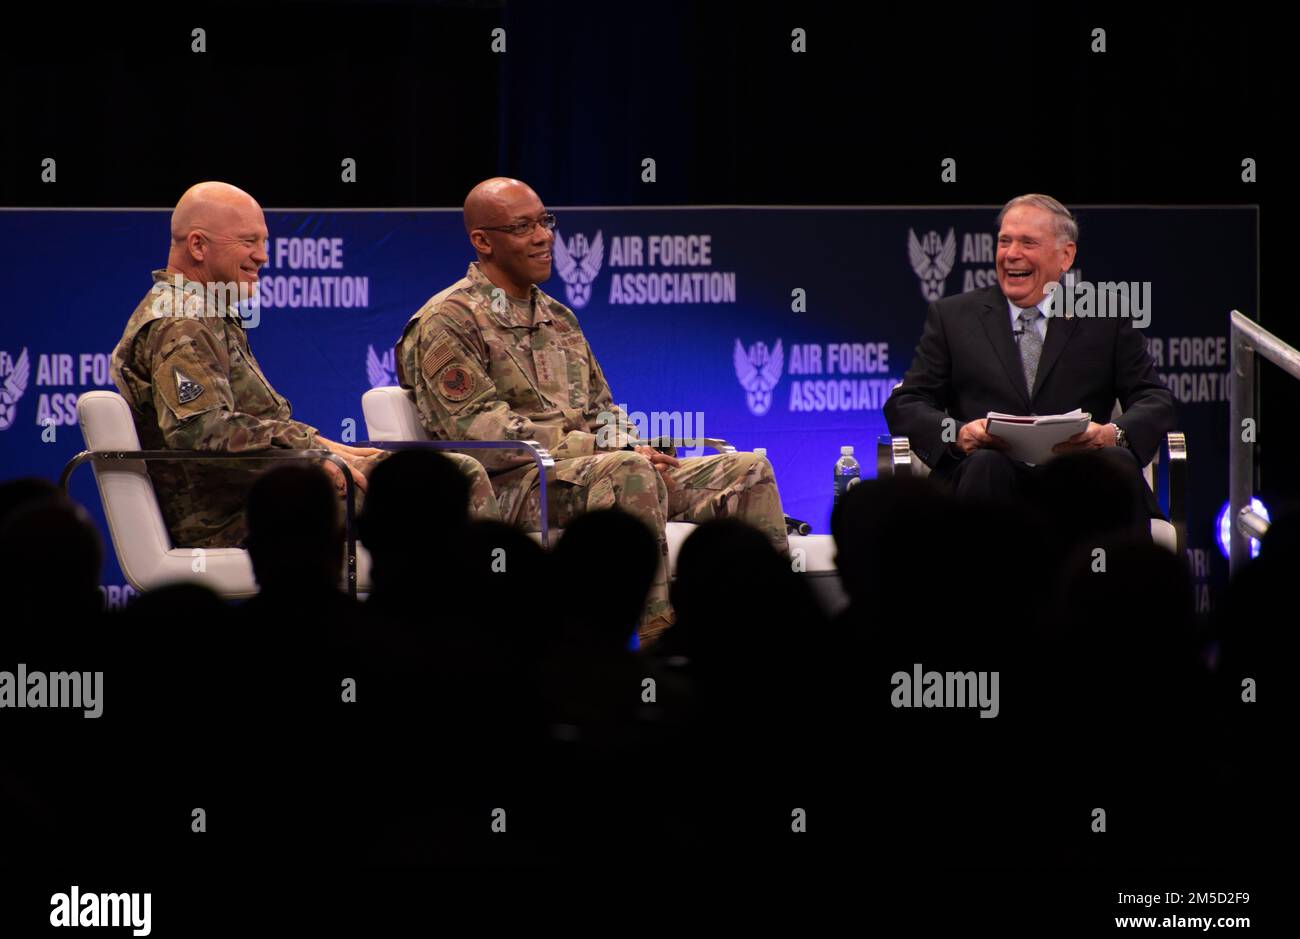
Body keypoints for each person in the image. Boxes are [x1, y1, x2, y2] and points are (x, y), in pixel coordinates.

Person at [395, 177, 788, 642]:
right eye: (523, 227)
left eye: (545, 221)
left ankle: (769, 636)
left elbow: (602, 409)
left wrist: (635, 442)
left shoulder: (559, 318)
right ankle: (659, 647)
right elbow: (481, 433)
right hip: (510, 487)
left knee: (746, 469)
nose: (543, 237)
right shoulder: (448, 319)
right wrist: (606, 449)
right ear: (483, 241)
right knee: (627, 472)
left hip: (592, 472)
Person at [110, 181, 499, 550]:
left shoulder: (202, 311)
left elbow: (231, 423)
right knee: (452, 482)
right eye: (249, 241)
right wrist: (307, 454)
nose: (262, 256)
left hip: (269, 490)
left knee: (444, 476)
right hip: (237, 515)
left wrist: (318, 445)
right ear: (198, 245)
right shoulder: (180, 321)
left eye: (263, 242)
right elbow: (201, 431)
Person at [884, 193, 1177, 538]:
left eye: (1027, 243)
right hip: (988, 476)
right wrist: (958, 433)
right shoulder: (952, 316)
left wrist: (1110, 434)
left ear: (1065, 255)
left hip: (1078, 478)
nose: (1011, 254)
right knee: (986, 465)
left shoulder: (1104, 315)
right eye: (1005, 241)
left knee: (1113, 463)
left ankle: (1106, 588)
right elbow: (907, 402)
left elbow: (1155, 398)